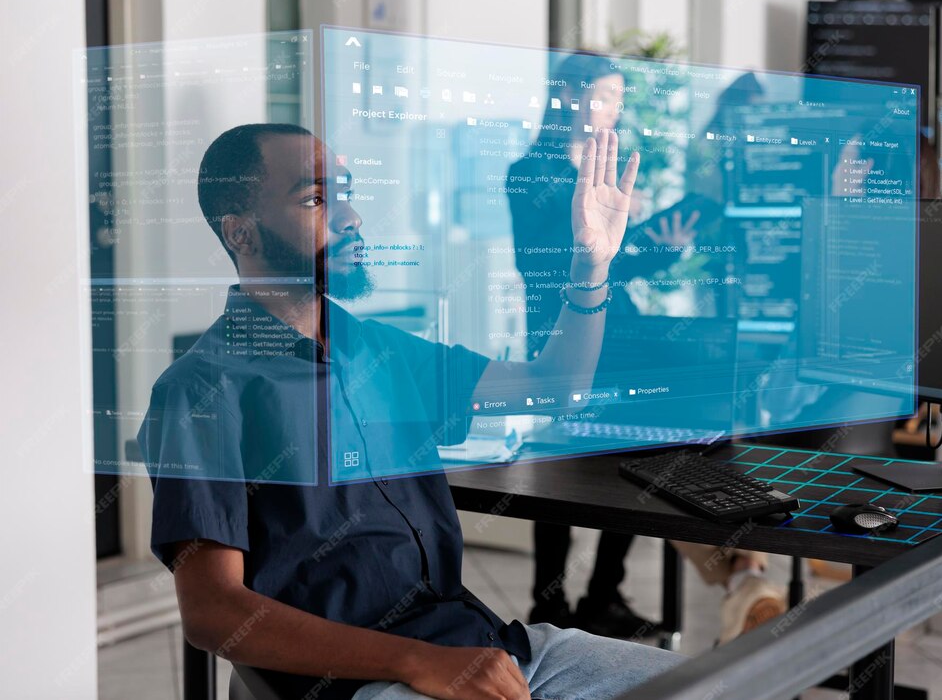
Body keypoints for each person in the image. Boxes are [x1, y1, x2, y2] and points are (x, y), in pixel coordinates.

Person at [139, 122, 685, 700]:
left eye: (346, 194)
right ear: (241, 233)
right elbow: (213, 612)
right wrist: (418, 662)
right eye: (316, 199)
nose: (350, 217)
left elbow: (555, 389)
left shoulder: (380, 350)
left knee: (718, 685)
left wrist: (590, 268)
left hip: (482, 645)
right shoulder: (201, 390)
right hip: (363, 681)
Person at [506, 53, 699, 638]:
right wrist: (607, 225)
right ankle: (549, 605)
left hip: (620, 331)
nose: (615, 108)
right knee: (560, 465)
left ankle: (603, 594)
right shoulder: (531, 172)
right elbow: (549, 264)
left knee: (638, 456)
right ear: (570, 95)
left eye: (619, 97)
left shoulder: (602, 175)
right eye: (605, 95)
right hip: (563, 333)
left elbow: (611, 264)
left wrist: (658, 249)